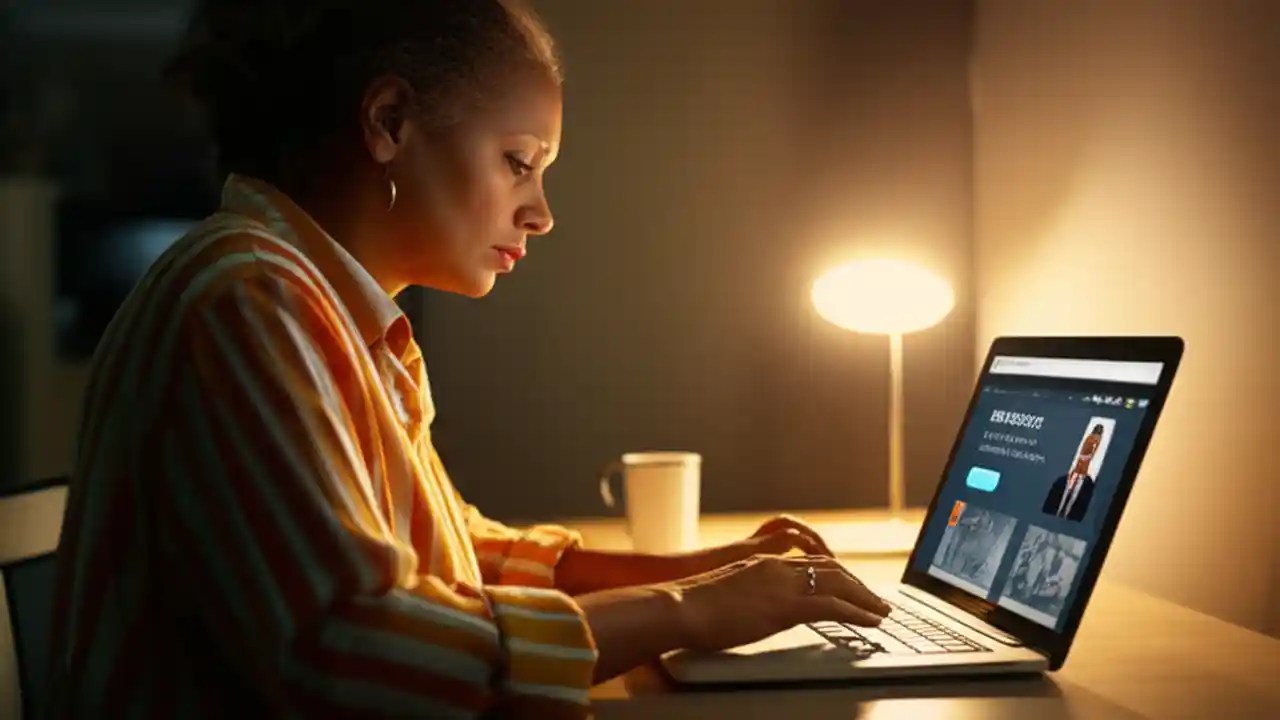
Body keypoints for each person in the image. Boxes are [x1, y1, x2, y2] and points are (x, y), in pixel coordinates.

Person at [46, 1, 891, 717]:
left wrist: (708, 570)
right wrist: (685, 609)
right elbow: (351, 647)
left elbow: (454, 553)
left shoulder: (324, 306)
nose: (541, 214)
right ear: (389, 123)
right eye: (519, 162)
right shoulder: (248, 300)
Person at [1042, 423, 1105, 521]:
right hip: (1079, 472)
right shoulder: (1093, 439)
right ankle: (1061, 513)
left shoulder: (1092, 439)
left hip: (1079, 472)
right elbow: (1085, 454)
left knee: (1070, 495)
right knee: (1069, 494)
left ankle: (1062, 514)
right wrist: (1087, 457)